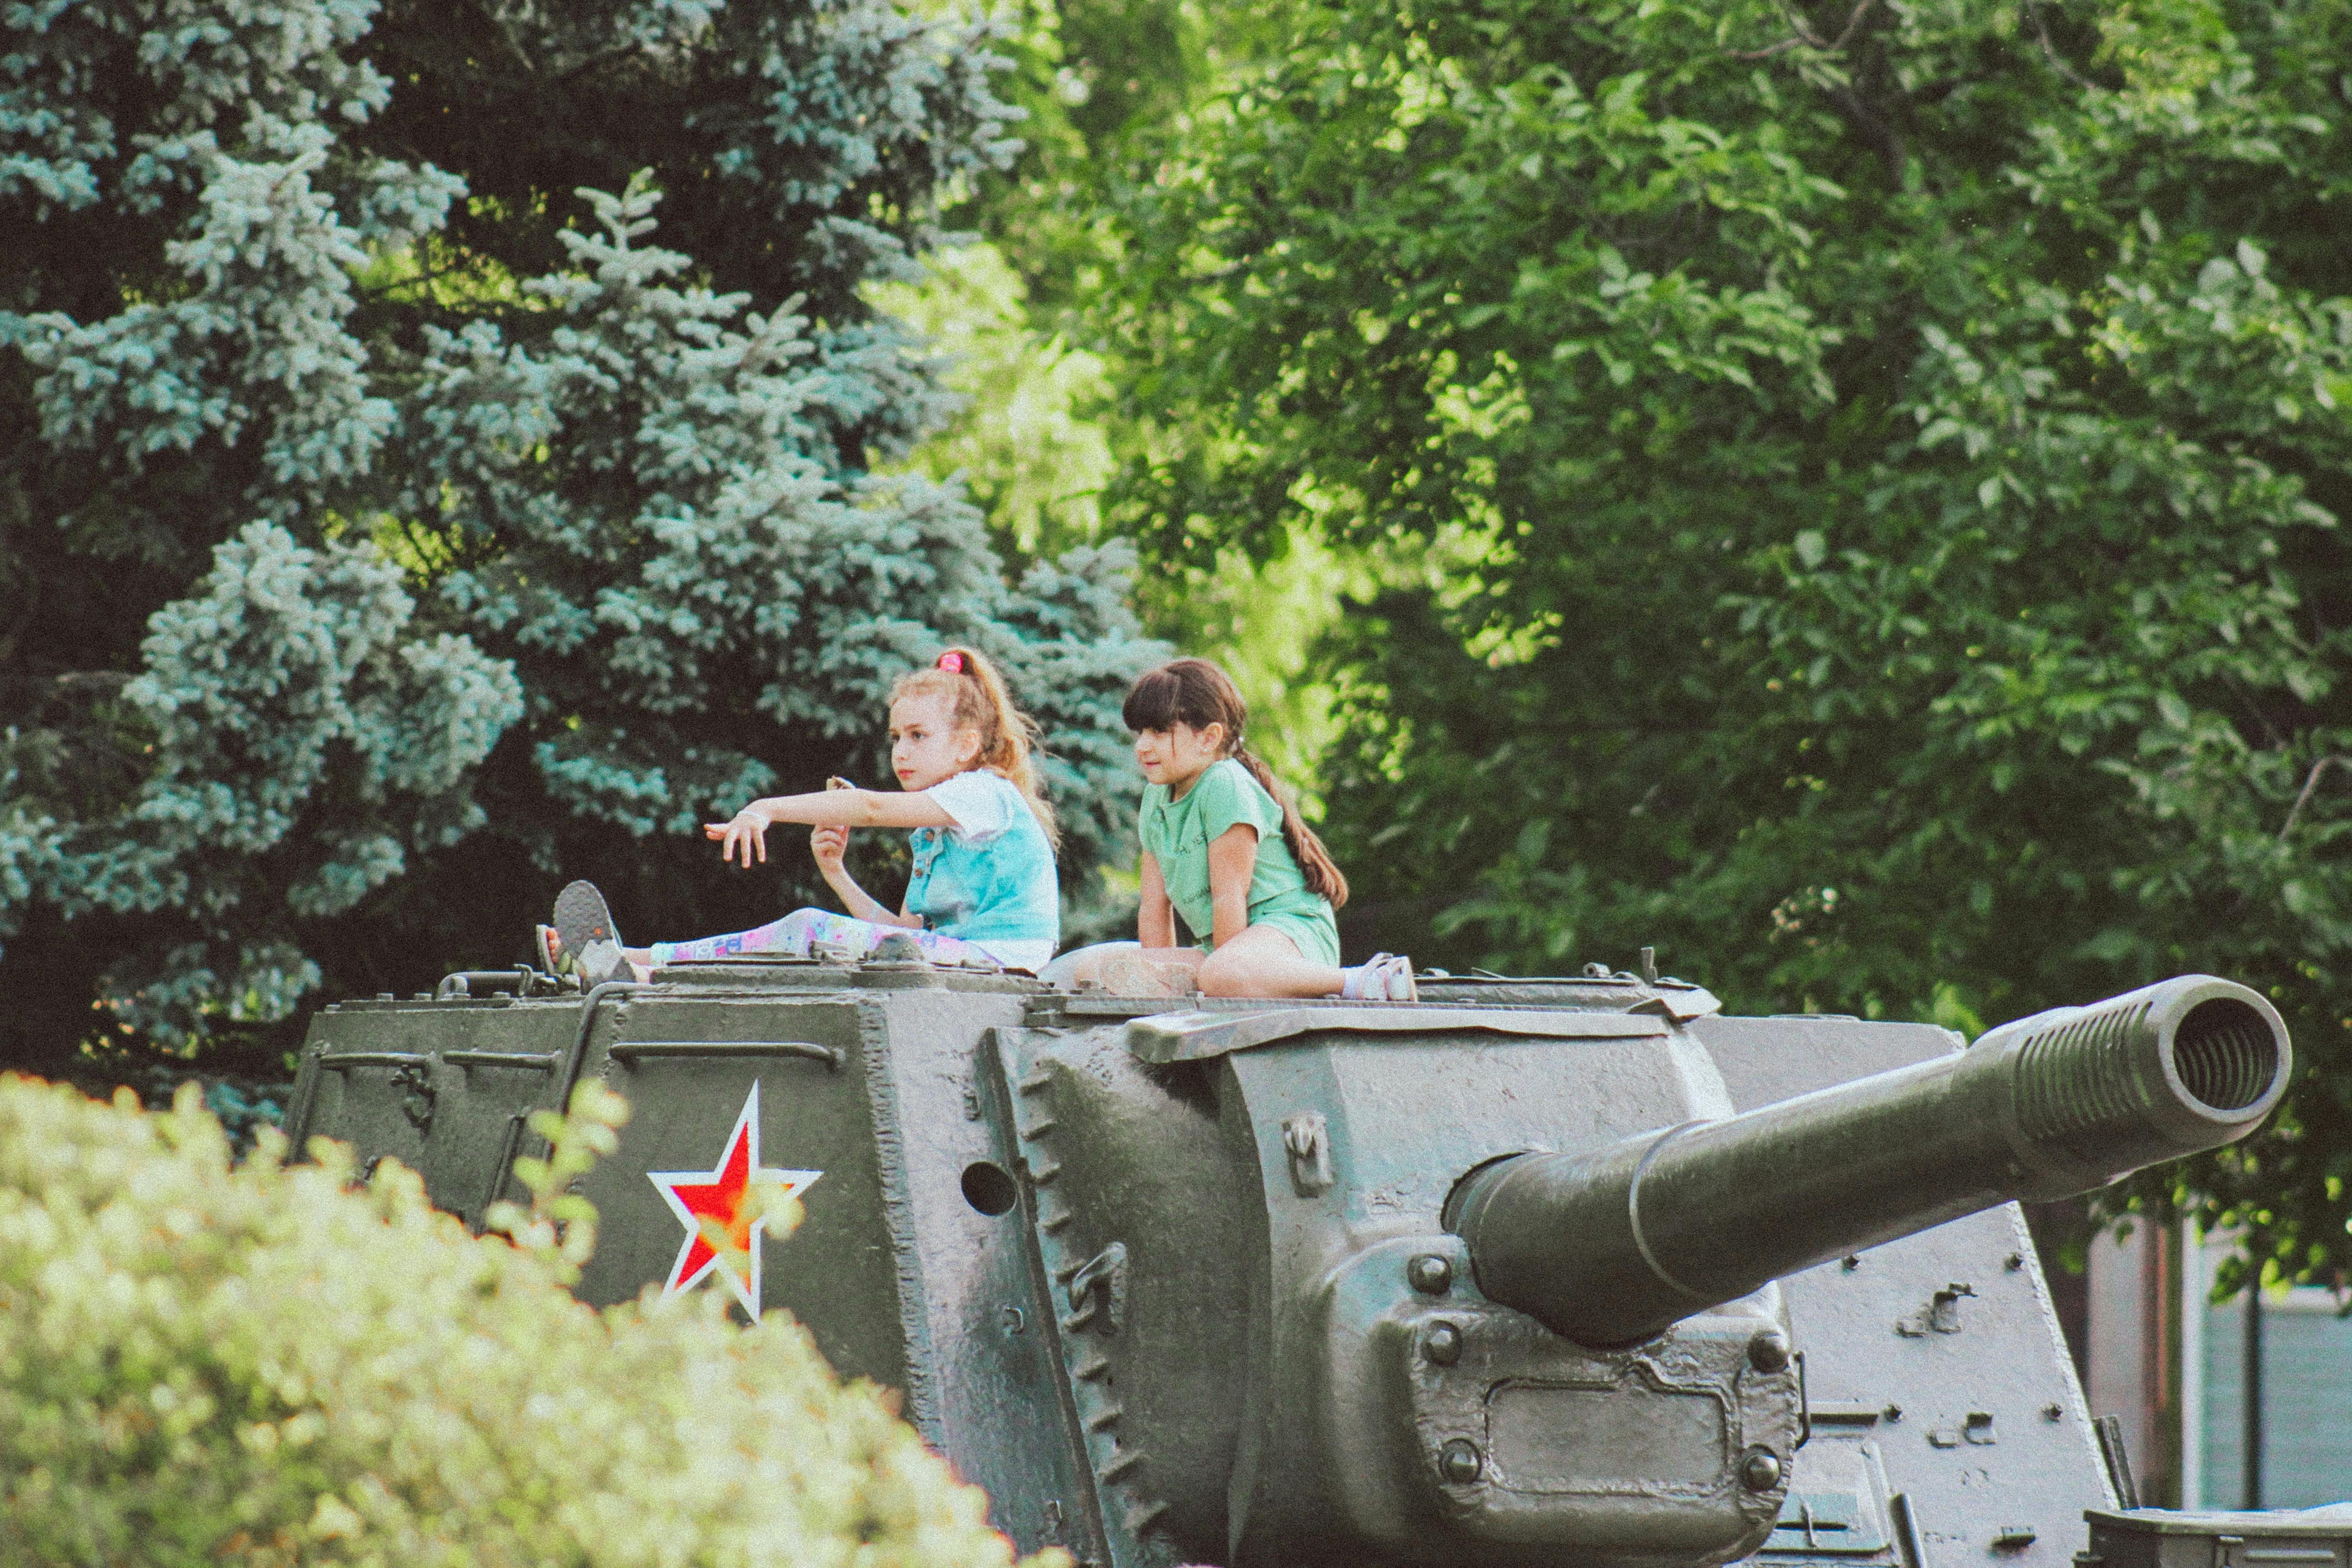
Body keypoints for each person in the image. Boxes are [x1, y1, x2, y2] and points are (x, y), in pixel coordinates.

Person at [542, 647, 1061, 983]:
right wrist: (838, 874)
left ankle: (640, 965)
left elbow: (872, 806)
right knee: (812, 946)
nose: (901, 752)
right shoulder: (936, 831)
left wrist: (766, 808)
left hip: (1004, 960)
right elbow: (901, 935)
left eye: (919, 737)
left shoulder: (983, 794)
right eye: (896, 737)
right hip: (967, 958)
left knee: (806, 927)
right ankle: (634, 966)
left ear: (968, 745)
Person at [1096, 657, 1414, 1001]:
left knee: (1222, 975)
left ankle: (1362, 982)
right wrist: (1155, 978)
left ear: (1209, 738)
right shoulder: (1155, 798)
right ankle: (1225, 976)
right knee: (1101, 966)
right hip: (1226, 950)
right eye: (1140, 733)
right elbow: (1154, 907)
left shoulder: (1223, 784)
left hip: (1289, 934)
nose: (1142, 746)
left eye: (1159, 732)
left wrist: (1225, 984)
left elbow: (1228, 896)